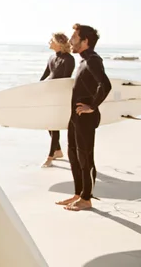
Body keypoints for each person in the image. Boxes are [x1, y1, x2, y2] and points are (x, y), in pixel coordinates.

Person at [56, 24, 112, 211]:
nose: (71, 41)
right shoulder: (83, 61)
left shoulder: (93, 60)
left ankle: (87, 198)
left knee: (85, 156)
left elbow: (105, 85)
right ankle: (78, 193)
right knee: (73, 154)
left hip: (85, 118)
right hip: (75, 117)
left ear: (85, 41)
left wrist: (92, 106)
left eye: (74, 38)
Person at [39, 32, 75, 167]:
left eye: (51, 40)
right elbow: (45, 75)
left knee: (54, 125)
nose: (49, 42)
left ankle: (50, 156)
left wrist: (56, 93)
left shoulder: (69, 59)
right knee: (49, 124)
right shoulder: (52, 57)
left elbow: (65, 79)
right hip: (50, 94)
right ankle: (58, 150)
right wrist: (36, 89)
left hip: (60, 96)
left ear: (58, 43)